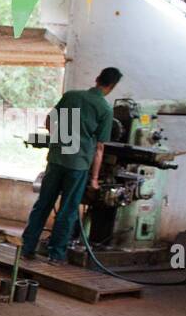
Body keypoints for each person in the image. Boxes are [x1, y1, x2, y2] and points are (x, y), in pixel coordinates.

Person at [20, 67, 121, 262]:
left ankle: (27, 248)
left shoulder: (71, 96)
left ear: (97, 78)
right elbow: (99, 148)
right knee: (67, 210)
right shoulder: (105, 109)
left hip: (57, 159)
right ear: (111, 86)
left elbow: (49, 121)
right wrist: (94, 180)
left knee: (43, 204)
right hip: (78, 165)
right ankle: (56, 255)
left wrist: (59, 139)